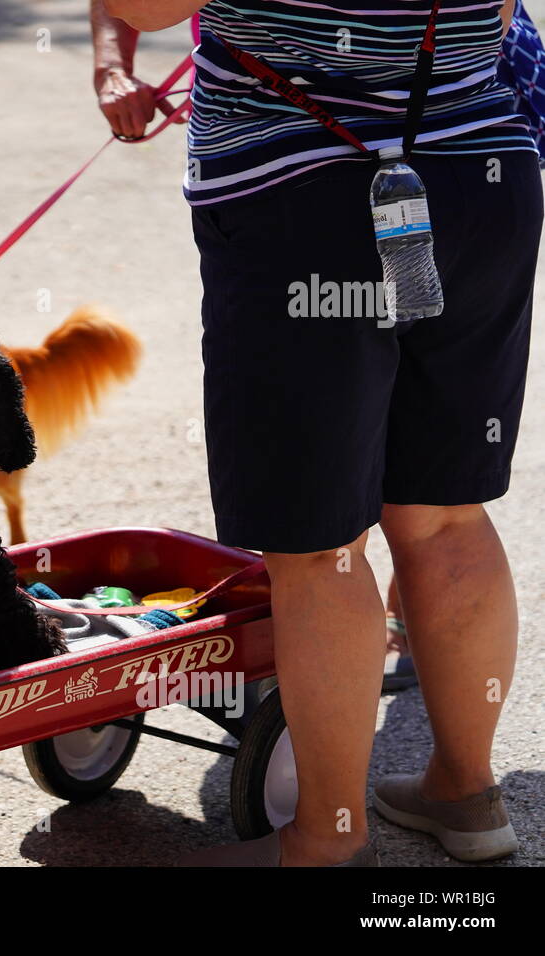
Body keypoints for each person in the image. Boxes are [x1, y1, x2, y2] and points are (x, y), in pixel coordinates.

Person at [105, 0, 536, 865]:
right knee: (444, 513)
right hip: (478, 171)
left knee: (321, 550)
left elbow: (141, 9)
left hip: (304, 193)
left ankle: (323, 840)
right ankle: (467, 791)